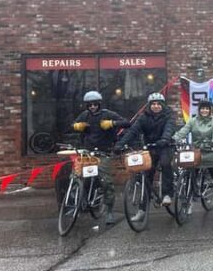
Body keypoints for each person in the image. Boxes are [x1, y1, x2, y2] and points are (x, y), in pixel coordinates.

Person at [114, 93, 176, 221]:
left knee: (165, 164)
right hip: (150, 148)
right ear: (149, 106)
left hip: (165, 146)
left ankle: (167, 194)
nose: (156, 106)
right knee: (146, 177)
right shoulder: (143, 117)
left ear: (163, 105)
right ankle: (142, 210)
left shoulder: (168, 116)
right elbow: (132, 131)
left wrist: (165, 139)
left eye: (159, 104)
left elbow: (169, 129)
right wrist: (120, 144)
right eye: (153, 104)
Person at [71, 90, 130, 225]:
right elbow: (70, 126)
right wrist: (76, 126)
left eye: (94, 104)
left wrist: (112, 123)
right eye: (90, 105)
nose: (92, 107)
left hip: (104, 152)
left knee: (106, 181)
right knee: (77, 173)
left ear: (99, 104)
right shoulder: (84, 115)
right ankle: (79, 197)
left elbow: (127, 123)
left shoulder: (107, 114)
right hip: (87, 152)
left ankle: (109, 210)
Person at [173, 99, 213, 192]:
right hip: (197, 152)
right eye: (202, 108)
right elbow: (183, 131)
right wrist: (174, 139)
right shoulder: (193, 121)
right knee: (190, 175)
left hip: (210, 151)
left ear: (210, 110)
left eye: (207, 108)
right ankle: (187, 200)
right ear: (199, 110)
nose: (204, 111)